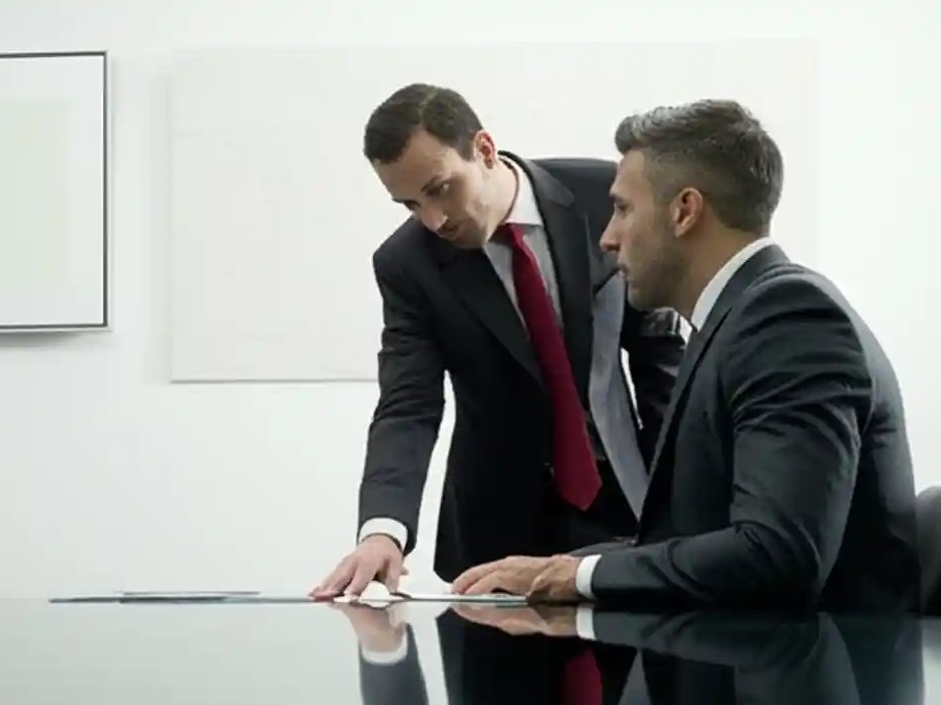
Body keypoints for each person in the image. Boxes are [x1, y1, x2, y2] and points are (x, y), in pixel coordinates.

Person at [451, 99, 920, 611]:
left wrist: (580, 574)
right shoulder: (740, 318)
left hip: (805, 680)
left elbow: (776, 555)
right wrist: (553, 570)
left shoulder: (789, 320)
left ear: (685, 211)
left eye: (624, 208)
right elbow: (702, 535)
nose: (607, 237)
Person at [312, 84, 686, 599]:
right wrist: (383, 529)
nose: (433, 219)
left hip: (627, 507)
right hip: (495, 538)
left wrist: (688, 502)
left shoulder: (606, 197)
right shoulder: (406, 264)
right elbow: (408, 406)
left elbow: (662, 360)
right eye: (409, 204)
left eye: (440, 188)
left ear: (484, 150)